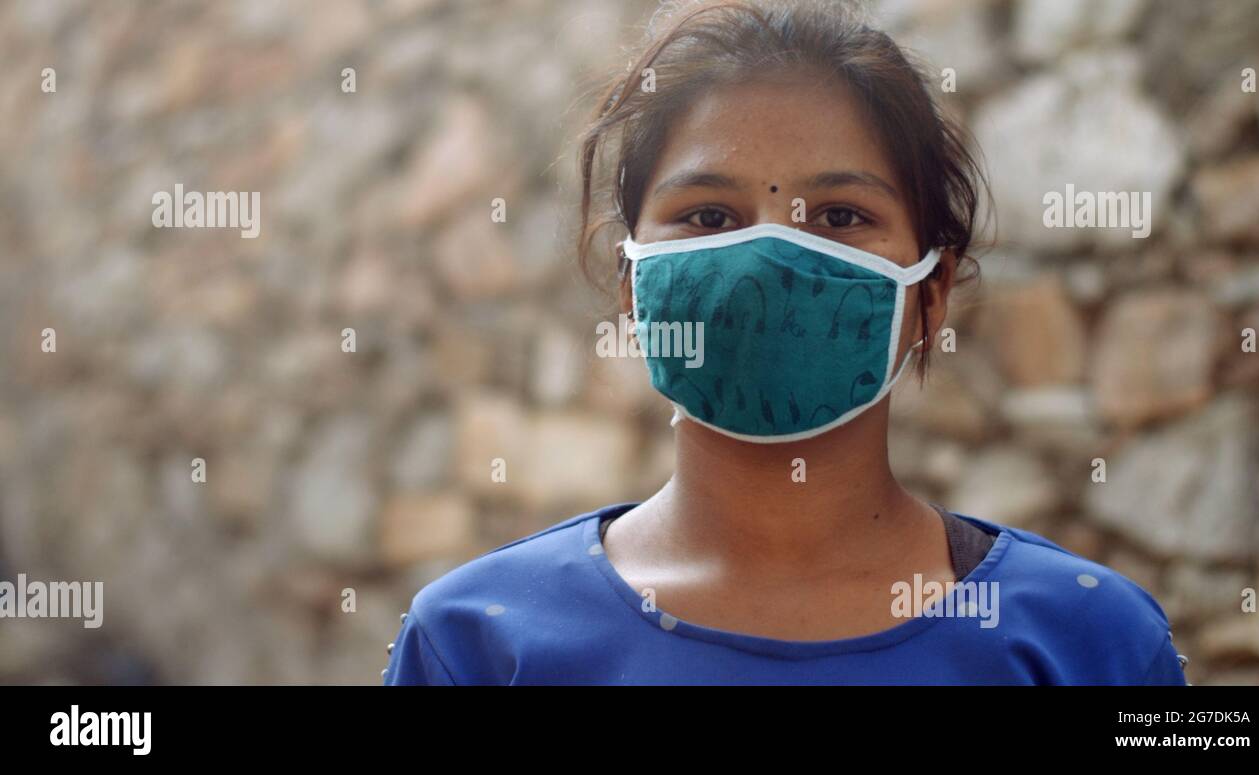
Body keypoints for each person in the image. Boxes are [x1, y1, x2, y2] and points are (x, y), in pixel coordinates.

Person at [383, 0, 1189, 685]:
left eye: (839, 216)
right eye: (708, 215)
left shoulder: (1093, 643)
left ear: (928, 295)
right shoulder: (476, 643)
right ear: (637, 286)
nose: (768, 259)